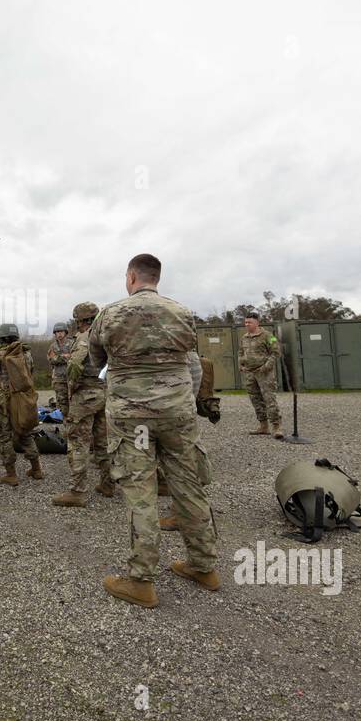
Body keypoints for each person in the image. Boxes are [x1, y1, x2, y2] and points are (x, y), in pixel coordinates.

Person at [89, 254, 219, 608]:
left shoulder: (110, 314)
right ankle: (204, 566)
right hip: (177, 414)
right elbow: (193, 361)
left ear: (131, 276)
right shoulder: (183, 313)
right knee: (187, 486)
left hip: (135, 421)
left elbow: (96, 362)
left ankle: (141, 580)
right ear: (156, 277)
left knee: (141, 491)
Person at [52, 303, 112, 507]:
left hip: (85, 395)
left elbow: (75, 364)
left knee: (78, 442)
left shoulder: (85, 338)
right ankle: (107, 483)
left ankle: (77, 491)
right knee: (102, 442)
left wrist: (72, 387)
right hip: (103, 393)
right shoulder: (106, 335)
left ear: (80, 320)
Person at [0, 323, 42, 486]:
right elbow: (30, 372)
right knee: (26, 432)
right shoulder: (26, 355)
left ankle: (11, 474)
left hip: (3, 403)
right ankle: (36, 469)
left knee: (4, 436)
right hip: (22, 400)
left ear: (1, 338)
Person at [239, 314, 283, 438]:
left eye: (250, 322)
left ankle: (277, 426)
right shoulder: (244, 337)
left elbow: (276, 352)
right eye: (246, 322)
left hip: (265, 373)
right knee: (256, 400)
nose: (247, 324)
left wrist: (266, 367)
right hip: (250, 373)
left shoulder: (268, 336)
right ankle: (263, 426)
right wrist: (241, 364)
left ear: (257, 323)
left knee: (269, 399)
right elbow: (241, 351)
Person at [47, 321, 74, 417]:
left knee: (74, 401)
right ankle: (64, 424)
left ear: (65, 332)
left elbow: (75, 357)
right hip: (58, 379)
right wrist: (66, 357)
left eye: (61, 332)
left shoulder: (72, 343)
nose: (59, 334)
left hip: (72, 377)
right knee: (62, 403)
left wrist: (58, 357)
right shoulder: (53, 346)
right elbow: (51, 359)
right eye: (57, 332)